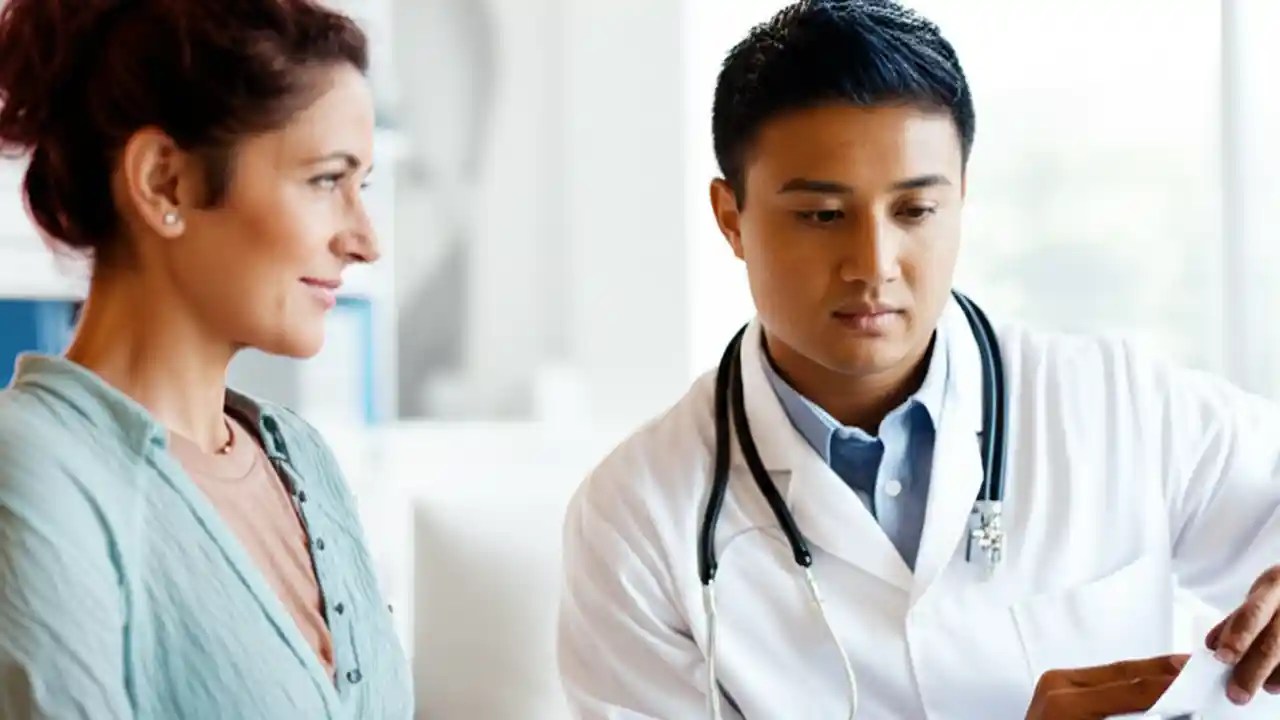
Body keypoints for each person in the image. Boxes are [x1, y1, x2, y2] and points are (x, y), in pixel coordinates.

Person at [556, 1, 1280, 718]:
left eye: (914, 211)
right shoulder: (637, 520)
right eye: (822, 216)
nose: (873, 266)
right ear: (731, 217)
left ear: (961, 197)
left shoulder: (1119, 405)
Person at [0, 1, 412, 717]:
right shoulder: (35, 471)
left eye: (363, 186)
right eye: (325, 180)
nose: (365, 239)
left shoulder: (302, 459)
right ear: (166, 182)